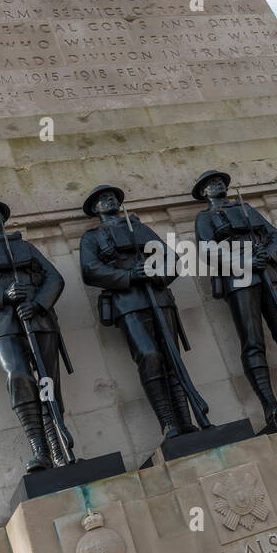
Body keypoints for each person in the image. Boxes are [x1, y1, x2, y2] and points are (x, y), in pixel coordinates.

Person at [193, 169, 277, 425]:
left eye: (221, 180)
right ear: (204, 192)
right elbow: (208, 250)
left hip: (269, 272)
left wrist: (268, 255)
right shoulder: (204, 218)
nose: (218, 184)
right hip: (239, 279)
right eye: (211, 183)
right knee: (252, 341)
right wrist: (245, 261)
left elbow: (274, 234)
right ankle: (269, 404)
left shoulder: (246, 208)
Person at [80, 185, 208, 440]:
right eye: (103, 199)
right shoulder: (92, 238)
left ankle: (187, 421)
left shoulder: (139, 228)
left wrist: (156, 274)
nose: (109, 200)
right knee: (149, 357)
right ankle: (168, 422)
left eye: (113, 197)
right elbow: (90, 270)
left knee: (172, 358)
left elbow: (172, 259)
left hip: (159, 298)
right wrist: (128, 275)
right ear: (95, 209)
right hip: (128, 304)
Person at [0, 198, 71, 470]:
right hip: (2, 324)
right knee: (18, 375)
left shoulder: (25, 246)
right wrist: (1, 296)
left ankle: (58, 450)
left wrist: (38, 303)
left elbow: (55, 278)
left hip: (39, 319)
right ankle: (39, 449)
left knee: (48, 381)